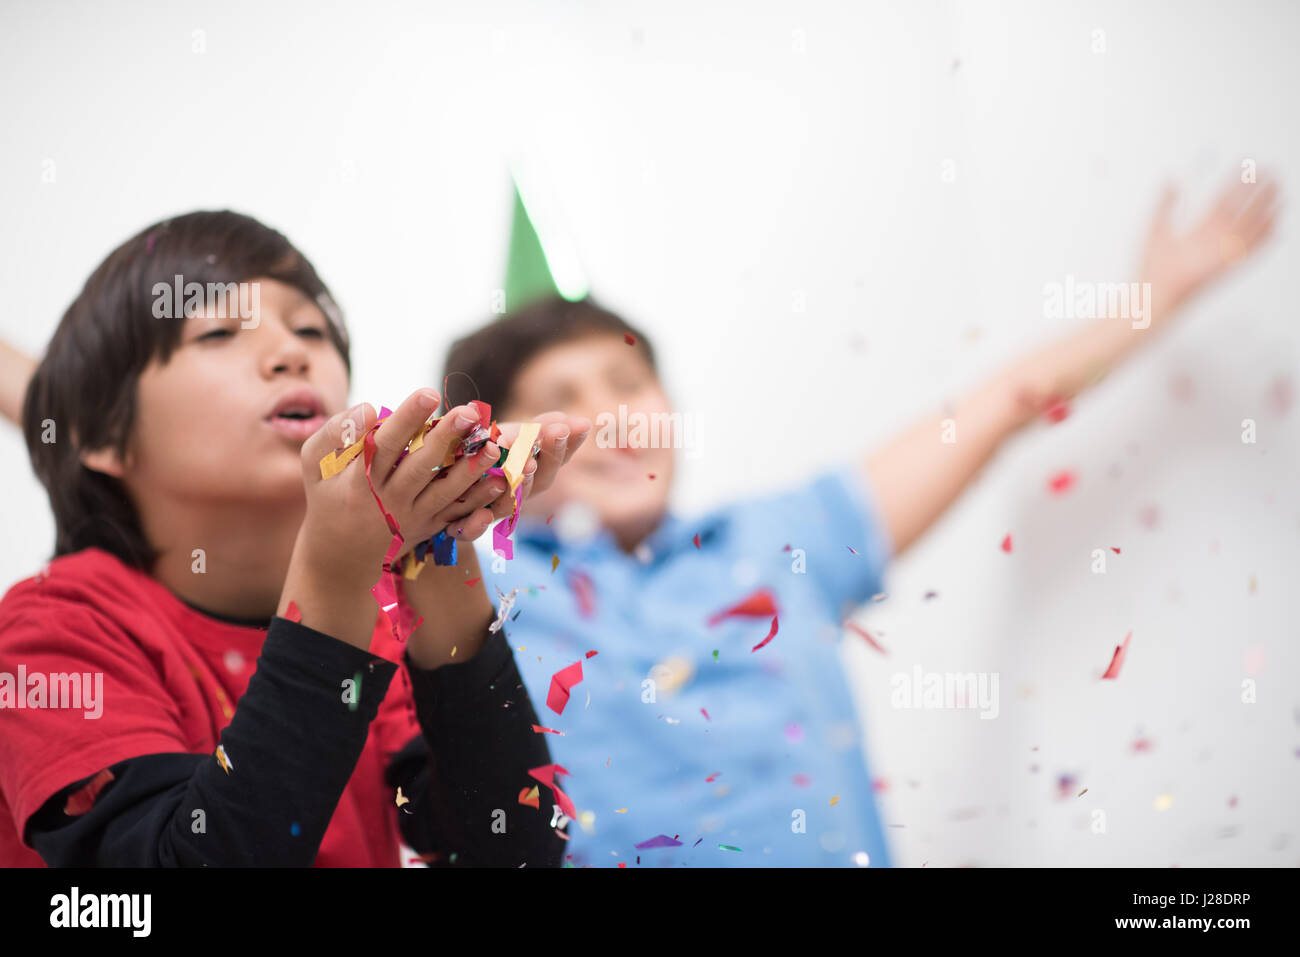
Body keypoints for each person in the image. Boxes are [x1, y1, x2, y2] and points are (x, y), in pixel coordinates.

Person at [441, 173, 1280, 866]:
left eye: (627, 387)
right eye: (561, 403)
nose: (613, 419)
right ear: (503, 441)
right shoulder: (472, 588)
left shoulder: (779, 541)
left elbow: (998, 407)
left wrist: (1155, 298)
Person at [0, 210, 591, 867]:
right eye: (219, 330)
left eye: (311, 328)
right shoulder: (51, 633)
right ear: (100, 436)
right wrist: (334, 577)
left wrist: (441, 540)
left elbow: (512, 847)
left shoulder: (374, 626)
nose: (293, 351)